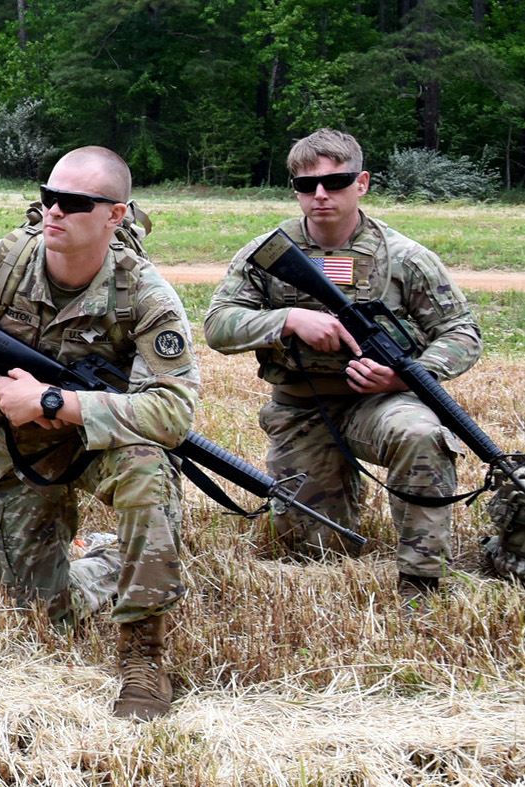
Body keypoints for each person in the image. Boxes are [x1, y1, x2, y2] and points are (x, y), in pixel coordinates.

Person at [0, 146, 197, 720]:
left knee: (148, 469)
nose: (53, 213)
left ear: (115, 216)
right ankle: (114, 563)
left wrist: (55, 401)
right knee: (38, 611)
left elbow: (173, 413)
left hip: (100, 442)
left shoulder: (145, 294)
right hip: (18, 446)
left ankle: (142, 656)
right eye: (46, 199)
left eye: (72, 203)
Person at [204, 128, 481, 601]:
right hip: (301, 409)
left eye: (335, 182)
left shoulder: (404, 258)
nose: (319, 195)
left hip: (380, 401)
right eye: (305, 185)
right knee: (313, 549)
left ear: (362, 183)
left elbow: (462, 332)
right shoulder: (268, 254)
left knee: (422, 435)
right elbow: (218, 325)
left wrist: (412, 374)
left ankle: (422, 579)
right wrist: (289, 319)